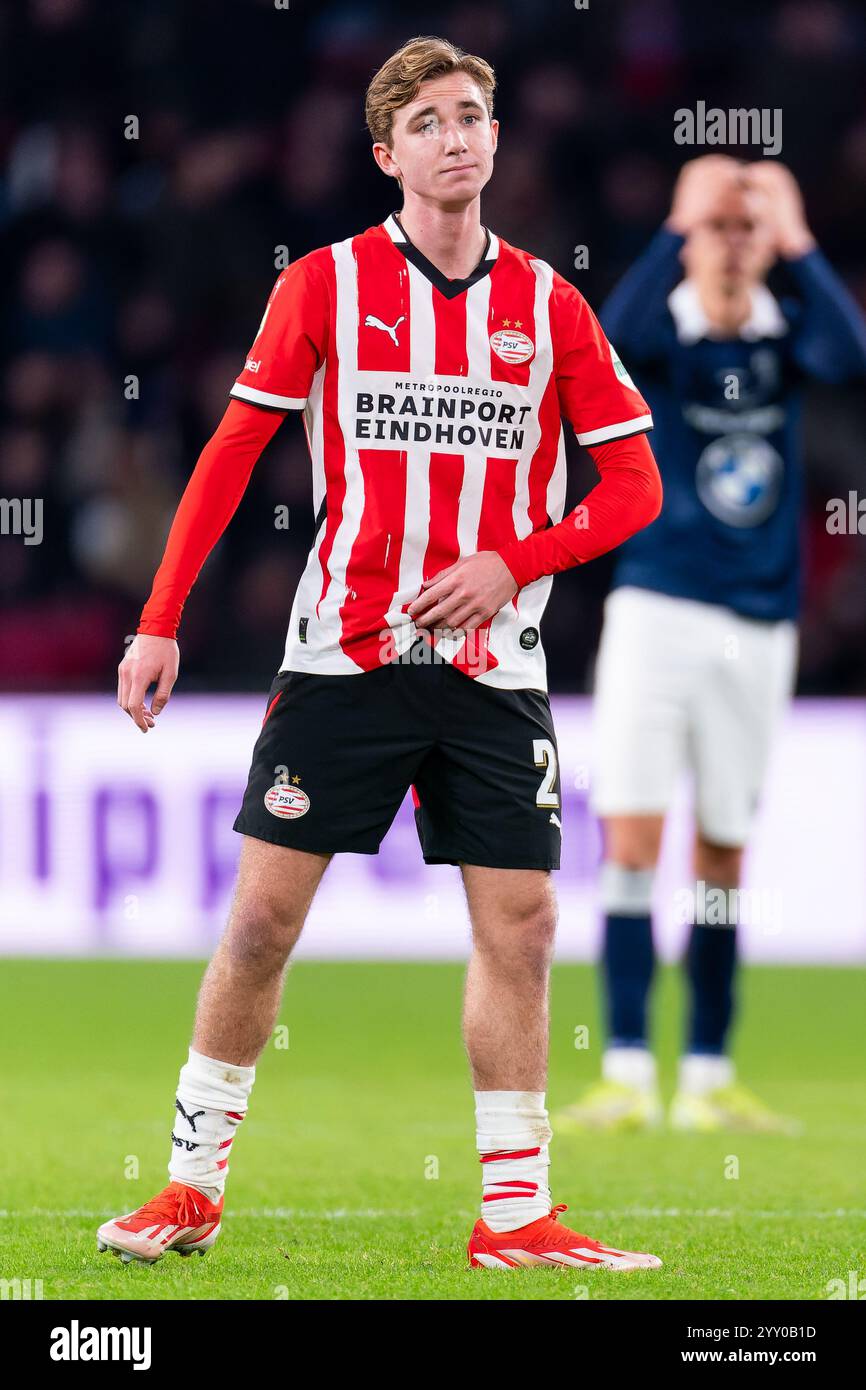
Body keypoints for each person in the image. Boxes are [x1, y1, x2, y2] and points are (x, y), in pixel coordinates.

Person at [100, 36, 663, 1272]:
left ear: (496, 141)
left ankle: (513, 1214)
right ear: (385, 153)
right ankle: (189, 1189)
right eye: (427, 123)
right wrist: (160, 615)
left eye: (471, 116)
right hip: (343, 656)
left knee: (518, 928)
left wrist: (515, 561)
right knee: (259, 924)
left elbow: (633, 484)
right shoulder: (324, 286)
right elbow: (233, 454)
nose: (455, 138)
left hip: (493, 669)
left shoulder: (547, 305)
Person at [556, 156, 866, 1135]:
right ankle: (622, 1067)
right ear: (688, 239)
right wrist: (673, 224)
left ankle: (705, 1071)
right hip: (656, 608)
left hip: (757, 624)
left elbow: (850, 357)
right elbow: (606, 339)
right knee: (633, 841)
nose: (731, 245)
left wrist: (801, 236)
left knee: (722, 851)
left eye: (747, 230)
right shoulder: (660, 338)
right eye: (716, 229)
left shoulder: (784, 341)